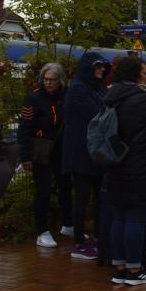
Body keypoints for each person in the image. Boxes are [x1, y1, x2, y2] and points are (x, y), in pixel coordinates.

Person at [103, 57, 146, 285]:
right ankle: (134, 270)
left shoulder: (110, 97)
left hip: (116, 165)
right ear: (135, 74)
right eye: (144, 72)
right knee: (136, 218)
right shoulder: (142, 99)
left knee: (120, 217)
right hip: (141, 167)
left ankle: (120, 267)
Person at [62, 52, 111, 261]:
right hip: (81, 152)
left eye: (103, 67)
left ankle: (98, 237)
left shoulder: (94, 88)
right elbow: (98, 114)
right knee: (82, 199)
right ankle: (79, 242)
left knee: (99, 198)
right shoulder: (78, 89)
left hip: (95, 152)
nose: (101, 70)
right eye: (98, 67)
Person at [19, 63, 71, 249]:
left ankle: (68, 223)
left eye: (53, 80)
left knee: (66, 185)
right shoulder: (33, 98)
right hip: (42, 151)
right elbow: (24, 129)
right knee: (43, 190)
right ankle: (42, 230)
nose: (49, 83)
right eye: (46, 79)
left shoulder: (66, 95)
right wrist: (25, 156)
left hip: (62, 149)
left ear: (60, 81)